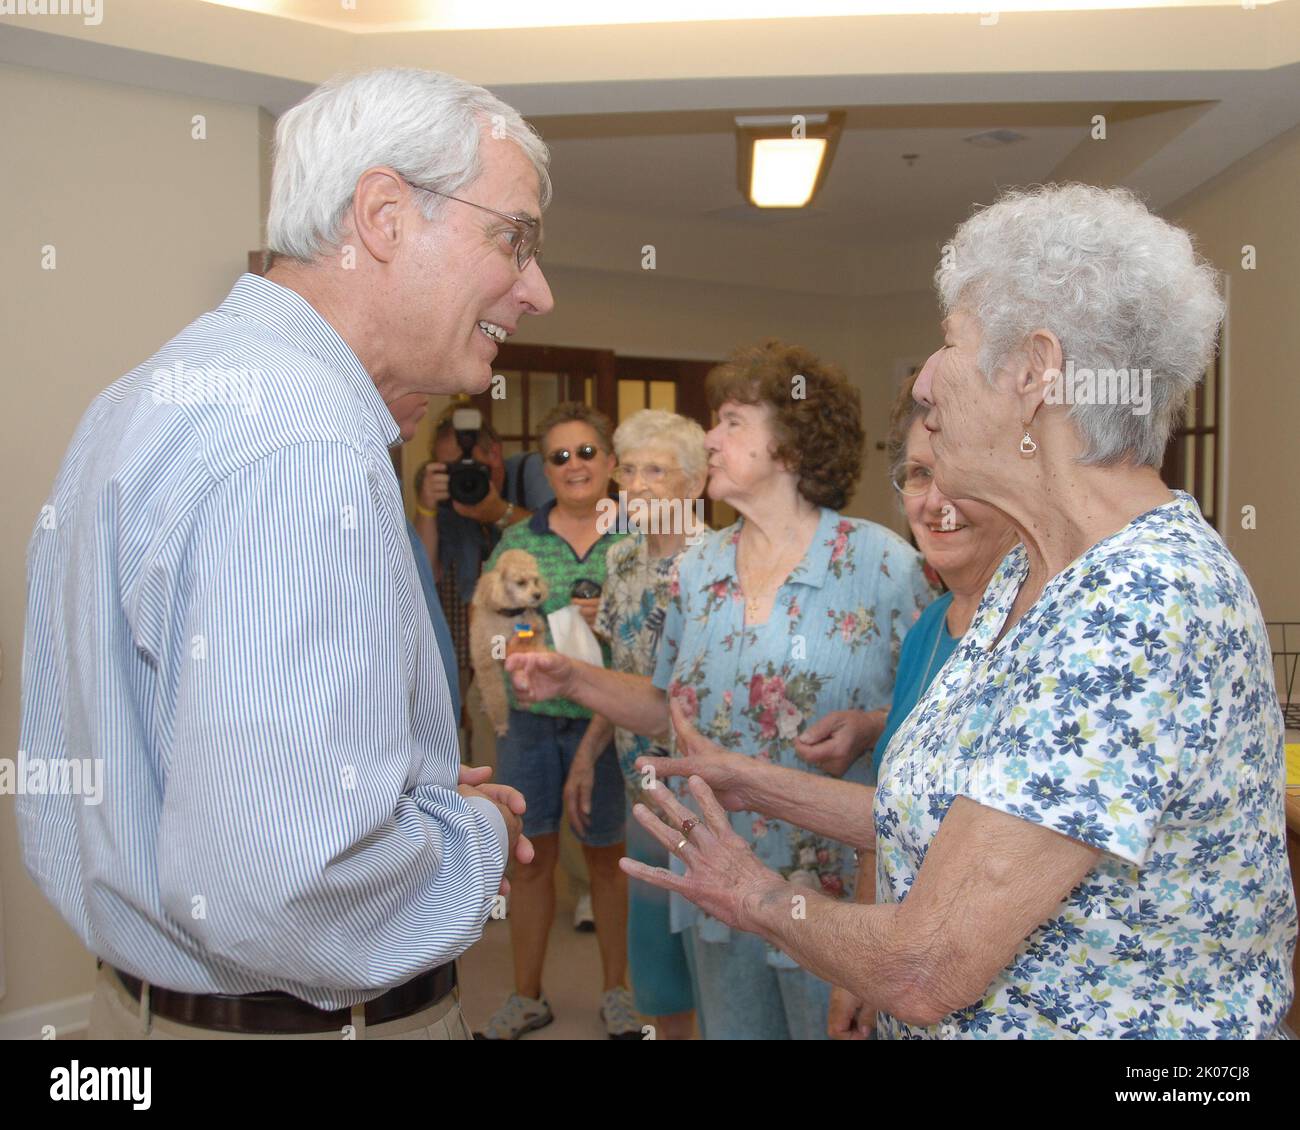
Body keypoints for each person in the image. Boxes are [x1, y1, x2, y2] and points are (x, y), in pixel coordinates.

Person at [625, 183, 1297, 1040]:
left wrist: (753, 894)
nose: (926, 381)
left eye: (950, 342)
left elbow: (924, 963)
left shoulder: (1141, 599)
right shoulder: (1030, 571)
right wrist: (751, 780)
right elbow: (951, 822)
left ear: (1034, 372)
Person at [18, 66, 553, 1040]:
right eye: (513, 239)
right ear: (384, 216)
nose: (538, 290)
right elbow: (287, 883)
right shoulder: (302, 443)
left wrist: (390, 802)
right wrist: (481, 835)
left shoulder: (148, 392)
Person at [507, 342, 936, 1039]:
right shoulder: (698, 570)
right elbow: (663, 710)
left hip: (835, 895)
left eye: (733, 421)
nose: (711, 437)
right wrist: (575, 677)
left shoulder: (882, 564)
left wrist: (871, 722)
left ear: (790, 446)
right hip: (719, 877)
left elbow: (936, 734)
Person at [805, 374, 1018, 1038]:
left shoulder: (1043, 629)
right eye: (918, 475)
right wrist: (855, 976)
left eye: (957, 476)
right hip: (904, 991)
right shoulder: (928, 627)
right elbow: (889, 819)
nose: (935, 503)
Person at [476, 401, 638, 1039]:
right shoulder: (518, 539)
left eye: (588, 452)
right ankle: (526, 996)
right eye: (560, 457)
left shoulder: (637, 534)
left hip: (610, 719)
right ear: (544, 469)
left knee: (608, 858)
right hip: (533, 720)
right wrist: (518, 639)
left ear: (612, 462)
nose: (575, 465)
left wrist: (611, 624)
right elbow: (492, 627)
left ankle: (618, 993)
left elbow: (663, 639)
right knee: (531, 859)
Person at [579, 409, 709, 1040]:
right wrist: (586, 756)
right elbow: (619, 675)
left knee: (714, 945)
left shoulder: (717, 561)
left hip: (707, 789)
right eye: (628, 469)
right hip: (641, 785)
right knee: (656, 952)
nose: (637, 483)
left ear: (693, 482)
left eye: (656, 469)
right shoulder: (621, 558)